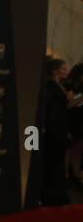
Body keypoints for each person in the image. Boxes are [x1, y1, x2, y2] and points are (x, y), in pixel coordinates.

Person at [40, 57, 71, 206]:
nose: (66, 71)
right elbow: (53, 111)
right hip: (55, 132)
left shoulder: (57, 85)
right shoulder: (51, 86)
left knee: (57, 163)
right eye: (63, 68)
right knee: (54, 163)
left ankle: (56, 193)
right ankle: (53, 195)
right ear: (54, 70)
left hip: (57, 130)